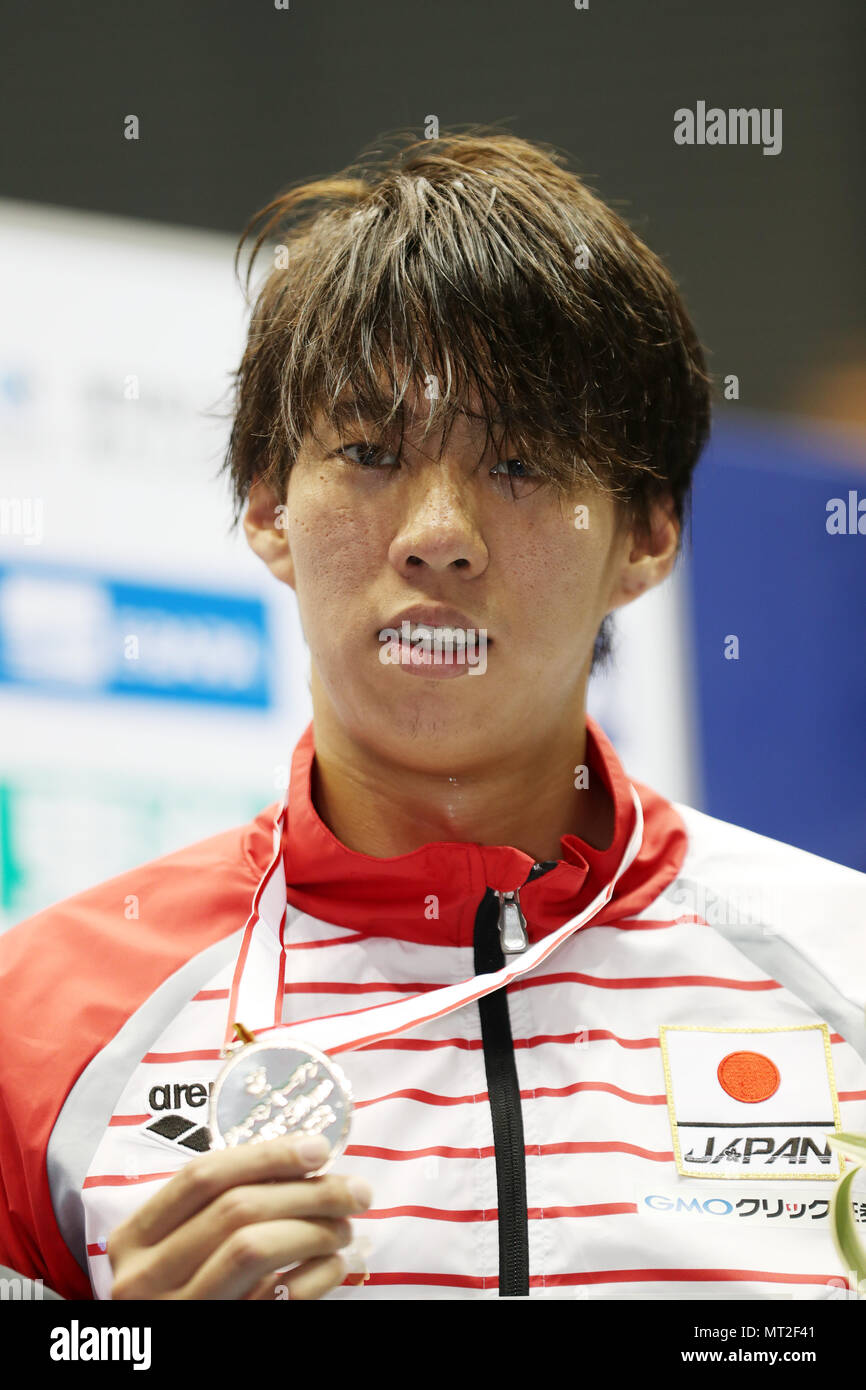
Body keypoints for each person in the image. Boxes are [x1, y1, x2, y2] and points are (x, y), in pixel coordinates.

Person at [1, 128, 864, 1303]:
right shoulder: (37, 1029)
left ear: (646, 533)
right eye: (367, 451)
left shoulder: (842, 971)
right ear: (265, 506)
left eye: (519, 464)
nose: (437, 532)